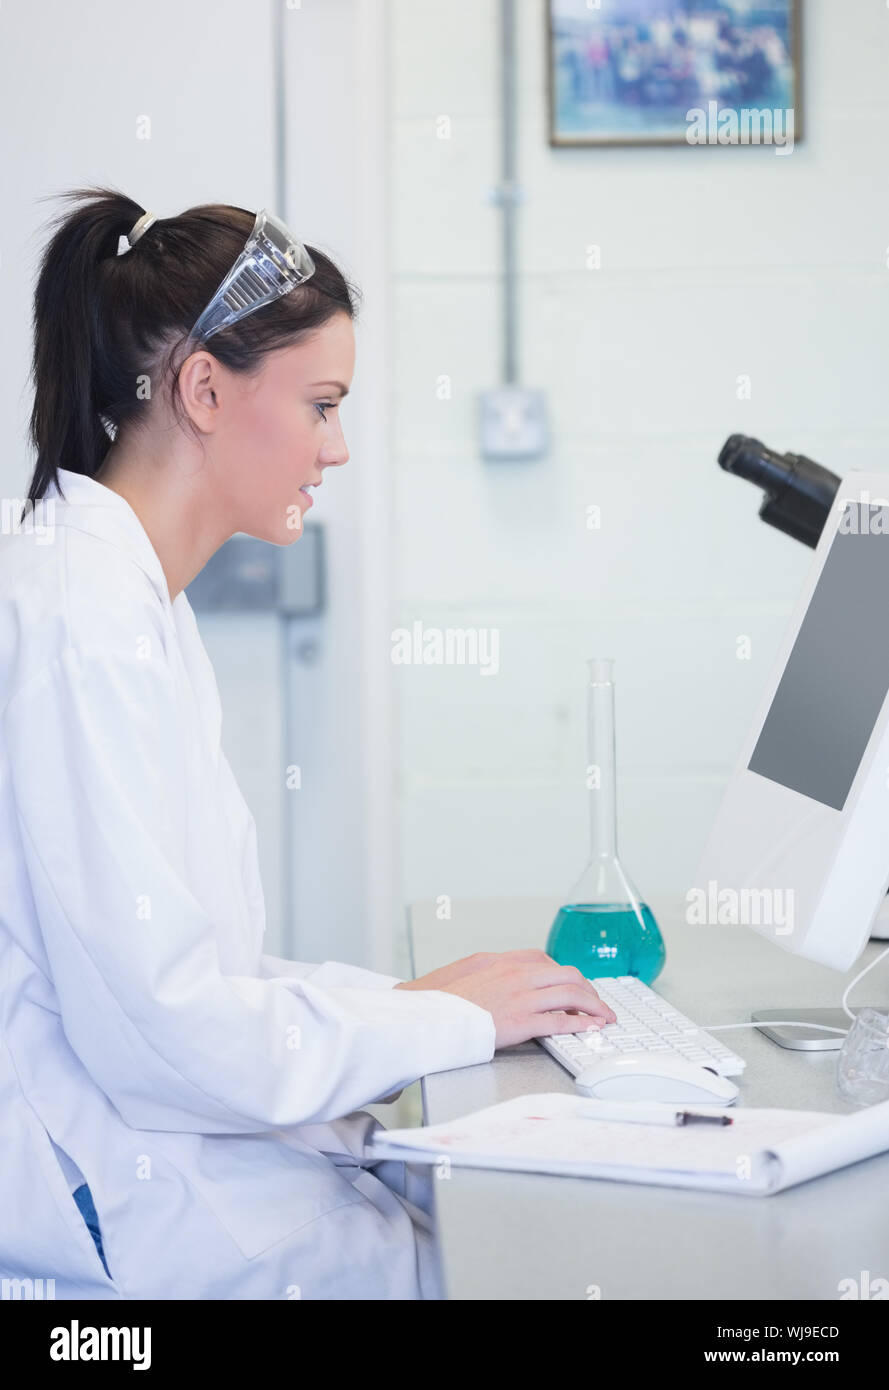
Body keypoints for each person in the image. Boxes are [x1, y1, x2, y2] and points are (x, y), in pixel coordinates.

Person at [0, 186, 615, 1301]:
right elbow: (159, 1029)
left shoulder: (129, 595)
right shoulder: (83, 617)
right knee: (509, 1263)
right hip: (119, 1200)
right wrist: (431, 1019)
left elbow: (192, 977)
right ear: (200, 389)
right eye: (322, 404)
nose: (334, 449)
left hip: (170, 1147)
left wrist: (406, 1001)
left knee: (508, 1215)